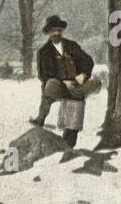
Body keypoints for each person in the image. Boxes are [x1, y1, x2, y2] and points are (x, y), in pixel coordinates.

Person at [31, 14, 99, 147]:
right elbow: (44, 74)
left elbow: (88, 61)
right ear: (49, 32)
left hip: (76, 85)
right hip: (56, 86)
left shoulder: (72, 46)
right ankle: (41, 117)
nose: (56, 33)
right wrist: (63, 82)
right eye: (53, 31)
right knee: (51, 85)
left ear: (62, 31)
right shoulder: (44, 51)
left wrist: (83, 75)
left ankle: (69, 142)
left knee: (77, 99)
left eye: (58, 30)